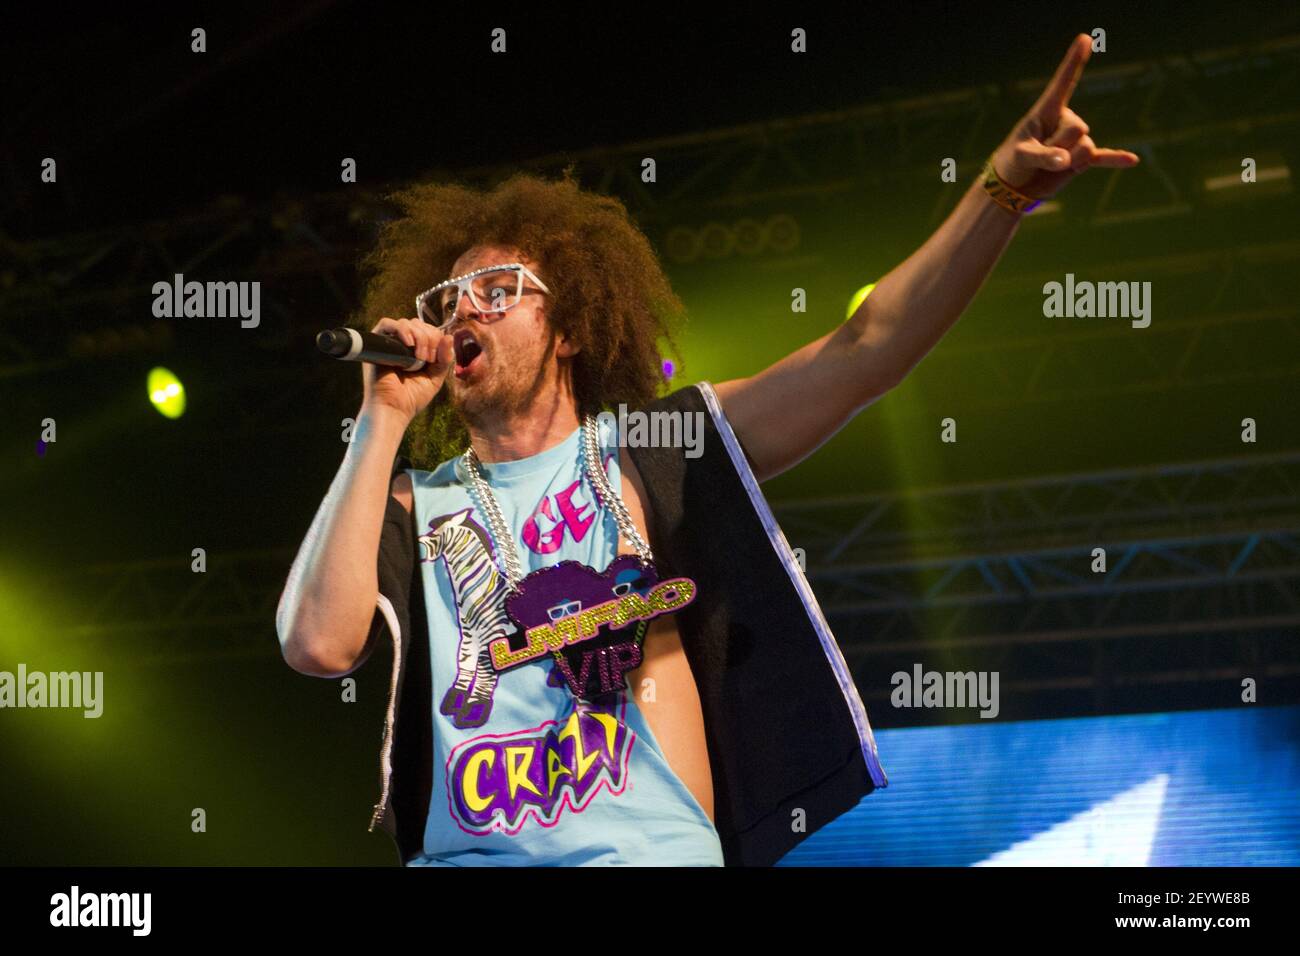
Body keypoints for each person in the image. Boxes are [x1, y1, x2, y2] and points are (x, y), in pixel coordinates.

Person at [276, 35, 1137, 866]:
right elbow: (316, 646)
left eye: (499, 291)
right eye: (451, 297)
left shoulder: (653, 451)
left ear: (571, 327)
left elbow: (865, 349)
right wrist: (381, 421)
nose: (467, 313)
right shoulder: (413, 504)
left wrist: (1001, 193)